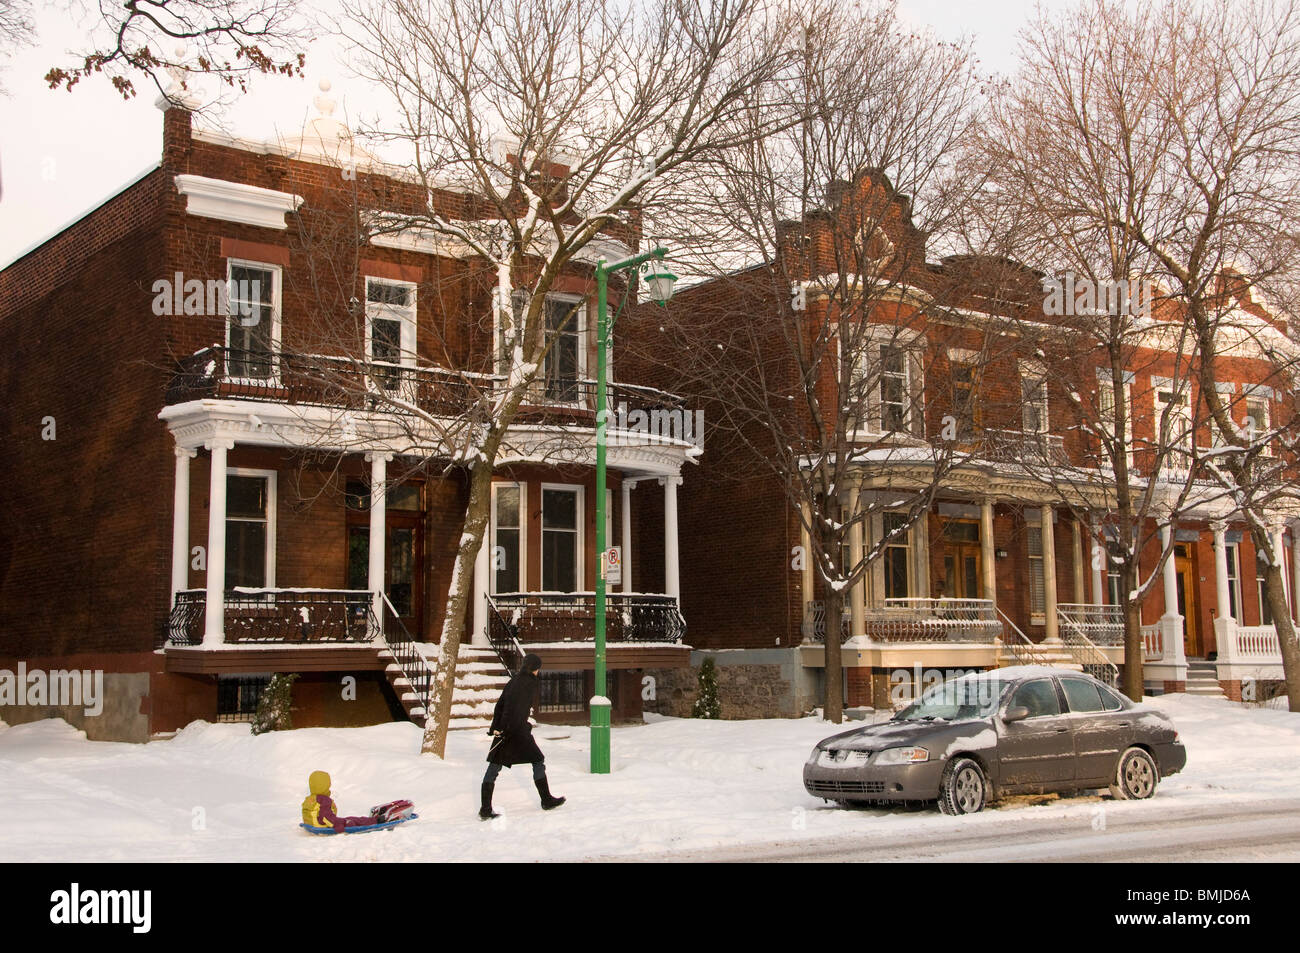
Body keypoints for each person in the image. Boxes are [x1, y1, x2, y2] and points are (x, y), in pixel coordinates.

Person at [480, 653, 565, 819]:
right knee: (538, 759)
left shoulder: (514, 680)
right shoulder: (528, 683)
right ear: (535, 668)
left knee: (494, 767)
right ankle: (546, 800)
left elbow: (501, 705)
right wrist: (521, 726)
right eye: (538, 669)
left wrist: (496, 727)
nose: (538, 672)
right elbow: (516, 709)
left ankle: (485, 809)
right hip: (515, 731)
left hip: (506, 730)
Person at [301, 770, 387, 832]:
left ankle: (372, 820)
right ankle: (376, 821)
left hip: (314, 824)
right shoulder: (323, 800)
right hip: (327, 824)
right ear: (324, 785)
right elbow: (326, 817)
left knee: (349, 819)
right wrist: (338, 825)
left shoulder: (310, 799)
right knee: (354, 820)